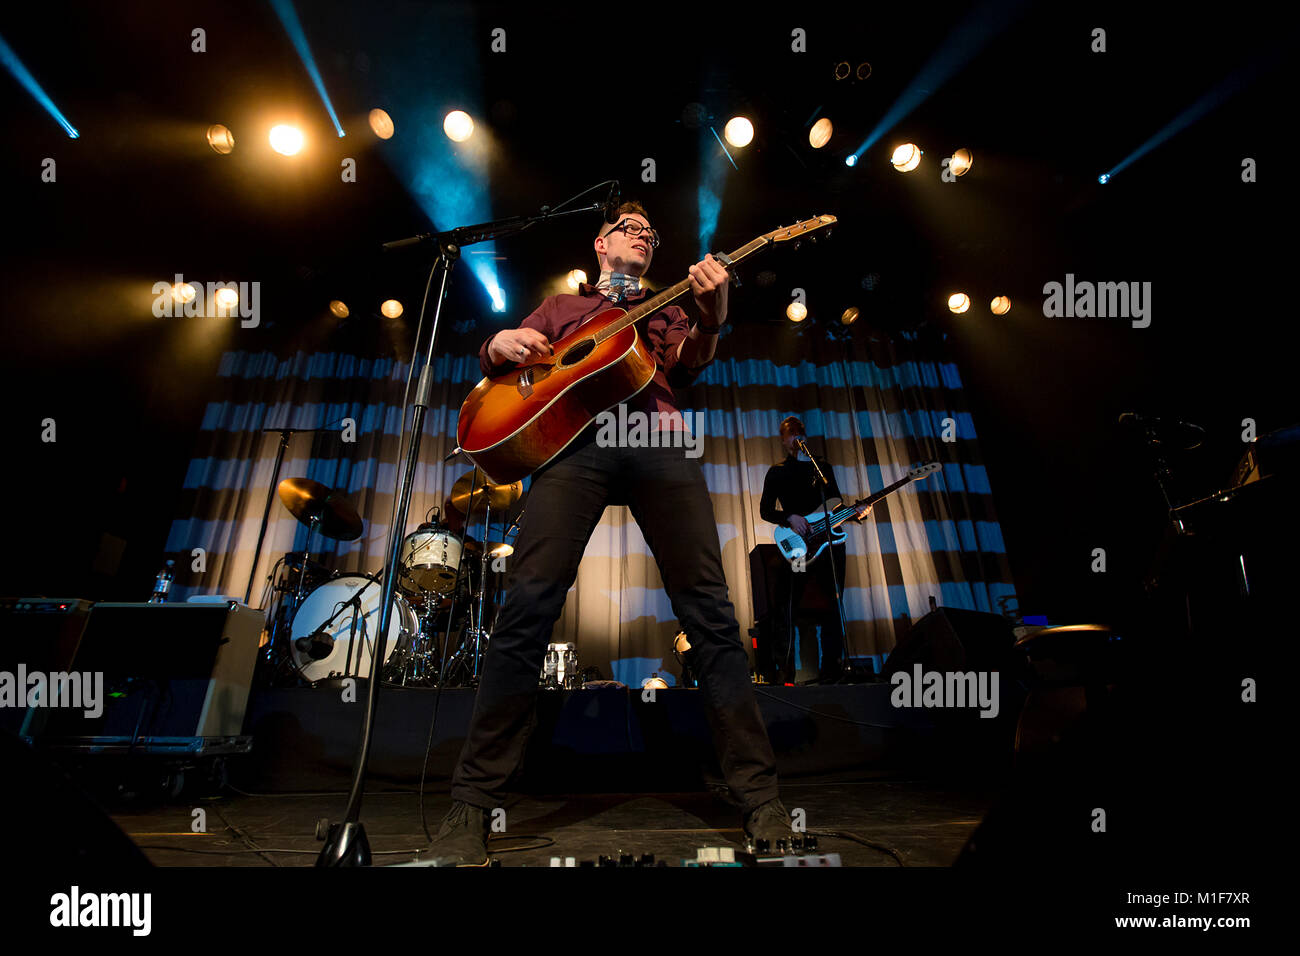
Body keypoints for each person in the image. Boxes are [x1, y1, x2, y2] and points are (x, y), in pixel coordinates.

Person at [424, 201, 792, 865]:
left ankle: (761, 796)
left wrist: (712, 315)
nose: (643, 236)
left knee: (708, 611)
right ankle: (472, 805)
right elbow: (506, 364)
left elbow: (694, 358)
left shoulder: (668, 306)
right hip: (571, 449)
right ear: (600, 244)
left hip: (657, 440)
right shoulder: (561, 309)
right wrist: (495, 344)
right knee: (526, 604)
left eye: (651, 232)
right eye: (629, 228)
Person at [759, 416, 849, 684]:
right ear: (784, 441)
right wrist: (789, 517)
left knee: (833, 601)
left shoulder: (821, 468)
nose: (796, 437)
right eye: (790, 433)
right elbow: (765, 510)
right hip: (798, 547)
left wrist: (856, 513)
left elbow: (835, 503)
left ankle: (831, 669)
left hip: (828, 546)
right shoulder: (777, 472)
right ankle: (784, 670)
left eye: (800, 432)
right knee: (788, 603)